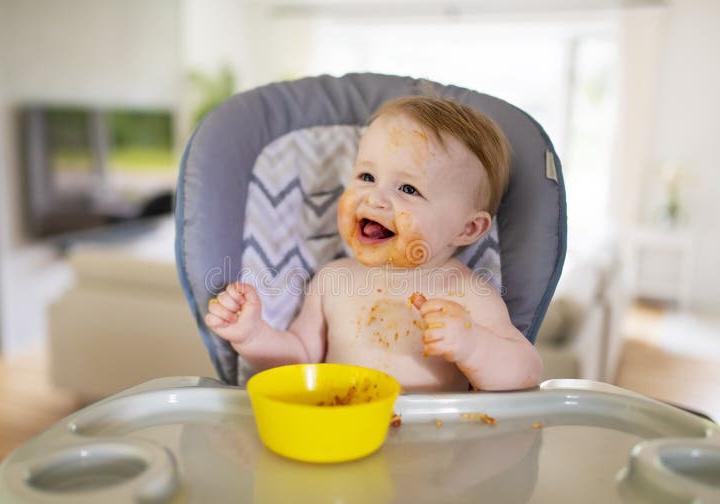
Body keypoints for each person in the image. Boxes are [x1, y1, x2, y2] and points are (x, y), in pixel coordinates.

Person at [205, 96, 541, 392]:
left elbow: (526, 371)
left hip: (429, 448)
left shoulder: (467, 293)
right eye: (366, 177)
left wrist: (474, 346)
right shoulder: (332, 280)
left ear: (468, 229)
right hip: (340, 434)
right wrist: (252, 336)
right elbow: (300, 360)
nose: (375, 198)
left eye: (408, 189)